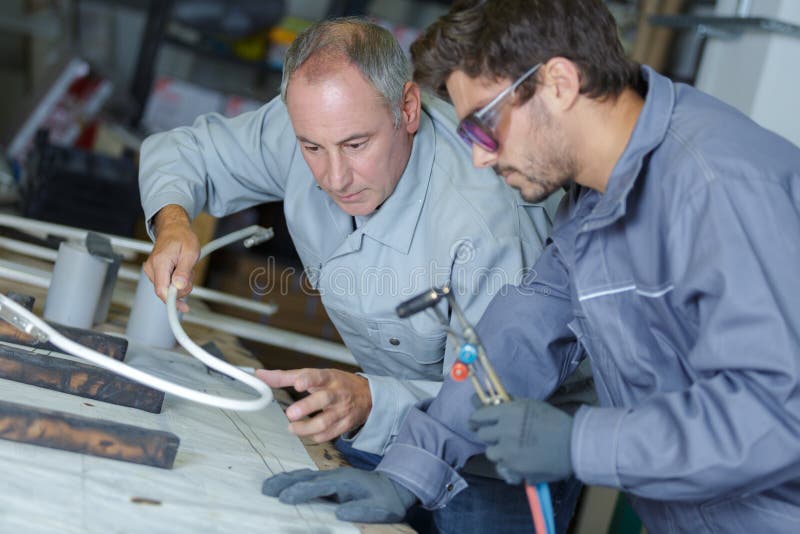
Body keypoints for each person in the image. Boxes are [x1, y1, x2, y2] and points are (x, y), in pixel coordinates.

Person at [262, 1, 800, 533]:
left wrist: (577, 442)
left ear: (559, 84)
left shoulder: (720, 187)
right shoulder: (592, 200)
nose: (479, 157)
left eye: (480, 127)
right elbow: (517, 337)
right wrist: (407, 474)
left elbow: (780, 413)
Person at [139, 17, 586, 533]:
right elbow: (185, 152)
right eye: (311, 148)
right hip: (382, 419)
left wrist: (372, 398)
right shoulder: (314, 123)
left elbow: (498, 396)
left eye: (357, 145)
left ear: (408, 109)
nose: (334, 177)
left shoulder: (485, 222)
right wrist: (174, 221)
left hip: (498, 460)